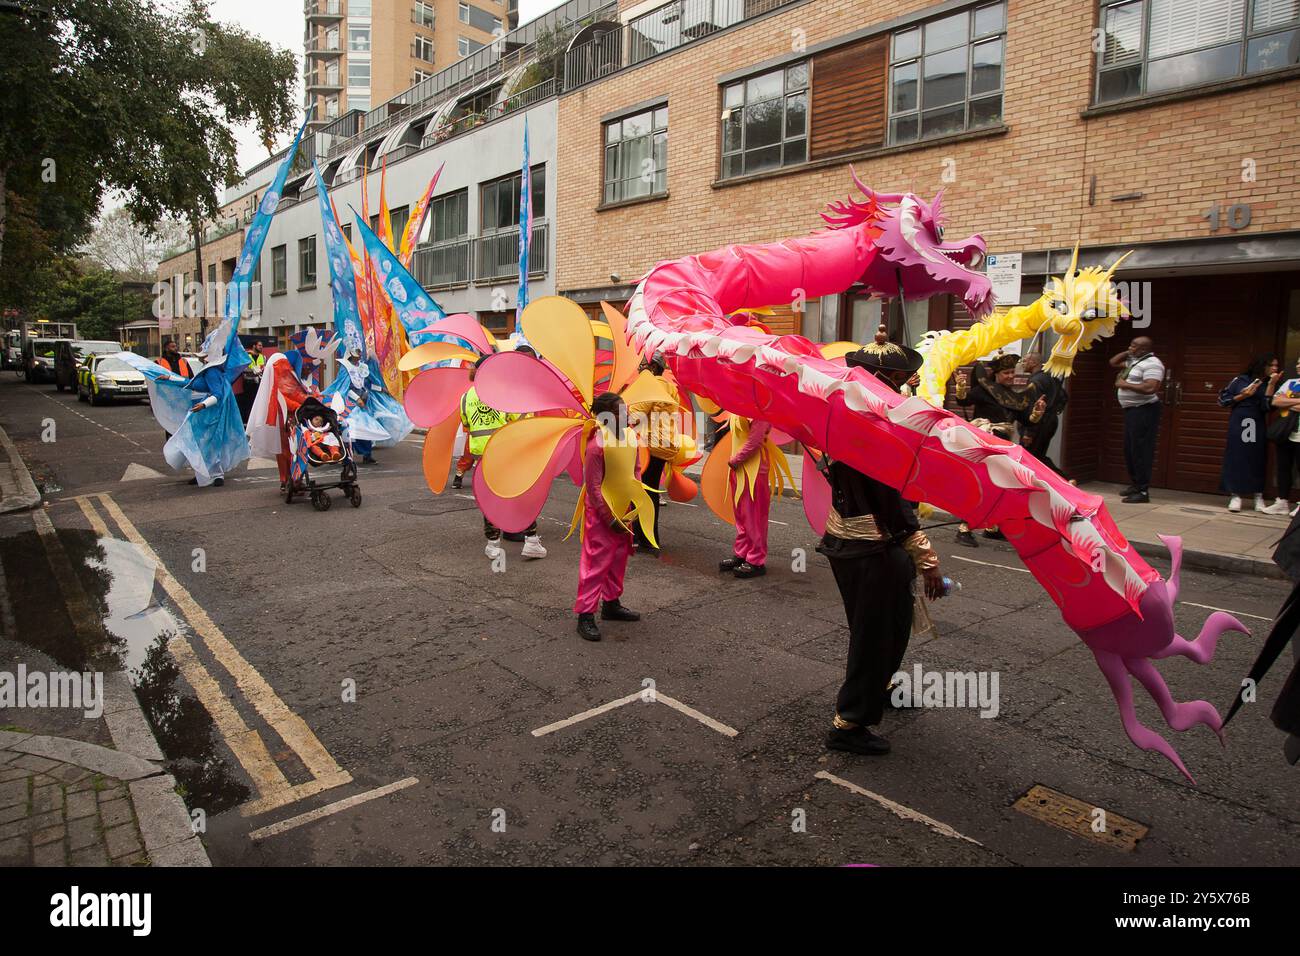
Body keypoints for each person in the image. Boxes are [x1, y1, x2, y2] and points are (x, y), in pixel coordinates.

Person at [820, 327, 944, 755]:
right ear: (883, 381)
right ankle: (849, 723)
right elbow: (893, 508)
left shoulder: (843, 414)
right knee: (875, 634)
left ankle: (881, 686)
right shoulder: (873, 430)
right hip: (871, 548)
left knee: (887, 627)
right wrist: (927, 559)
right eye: (899, 378)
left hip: (853, 543)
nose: (907, 384)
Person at [456, 356, 546, 560]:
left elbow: (467, 425)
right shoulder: (505, 392)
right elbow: (522, 421)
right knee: (521, 494)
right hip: (506, 452)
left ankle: (493, 545)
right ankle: (531, 540)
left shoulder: (466, 397)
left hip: (482, 455)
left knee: (491, 500)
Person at [952, 352, 1045, 545]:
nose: (1010, 376)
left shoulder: (1015, 397)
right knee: (982, 485)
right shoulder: (984, 390)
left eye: (1012, 372)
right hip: (983, 444)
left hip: (1004, 446)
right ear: (996, 374)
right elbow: (963, 401)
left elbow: (1027, 420)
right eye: (1006, 373)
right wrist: (960, 386)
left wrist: (1037, 412)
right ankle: (964, 528)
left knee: (1003, 486)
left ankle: (992, 526)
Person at [575, 392, 641, 642]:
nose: (626, 414)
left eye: (625, 409)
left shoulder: (630, 438)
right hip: (602, 514)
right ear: (605, 416)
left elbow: (635, 472)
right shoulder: (596, 446)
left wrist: (636, 506)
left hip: (624, 511)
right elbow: (592, 488)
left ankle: (611, 604)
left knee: (618, 559)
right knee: (595, 564)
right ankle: (585, 615)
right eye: (620, 410)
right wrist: (609, 516)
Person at [630, 352, 679, 556]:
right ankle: (644, 537)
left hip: (650, 445)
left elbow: (635, 414)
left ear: (652, 367)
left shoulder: (651, 385)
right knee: (649, 492)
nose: (640, 369)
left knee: (644, 493)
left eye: (642, 365)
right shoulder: (669, 386)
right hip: (664, 443)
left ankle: (648, 540)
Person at [1218, 355, 1279, 512]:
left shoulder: (1269, 383)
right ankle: (1235, 494)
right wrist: (1243, 395)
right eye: (1271, 365)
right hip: (1240, 419)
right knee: (1237, 455)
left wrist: (1271, 385)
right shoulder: (1241, 380)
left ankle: (1258, 495)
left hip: (1256, 421)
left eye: (1276, 366)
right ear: (1261, 365)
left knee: (1256, 456)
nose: (1275, 368)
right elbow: (1223, 400)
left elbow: (1268, 407)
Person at [1109, 335, 1165, 503]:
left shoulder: (1153, 364)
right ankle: (1135, 484)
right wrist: (1129, 351)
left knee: (1141, 450)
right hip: (1132, 411)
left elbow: (1151, 387)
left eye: (1134, 346)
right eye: (1130, 345)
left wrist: (1124, 385)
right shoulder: (1135, 362)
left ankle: (1142, 491)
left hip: (1145, 411)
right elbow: (1113, 362)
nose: (1130, 348)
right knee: (1130, 449)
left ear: (1144, 349)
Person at [719, 415, 774, 578]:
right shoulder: (739, 406)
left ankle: (756, 560)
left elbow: (755, 441)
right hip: (740, 469)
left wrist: (736, 459)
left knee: (754, 517)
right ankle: (742, 554)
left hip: (754, 470)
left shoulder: (760, 409)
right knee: (742, 516)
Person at [1017, 352, 1069, 478]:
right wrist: (1055, 410)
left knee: (1031, 457)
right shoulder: (1050, 377)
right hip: (1050, 421)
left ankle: (1064, 480)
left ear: (1034, 363)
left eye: (1025, 361)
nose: (1022, 363)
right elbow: (1064, 396)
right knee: (1038, 455)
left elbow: (1034, 408)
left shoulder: (1036, 381)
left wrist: (1028, 433)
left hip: (1038, 424)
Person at [1265, 357, 1300, 515]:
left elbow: (1282, 401)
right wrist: (1295, 403)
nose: (1297, 365)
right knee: (1283, 467)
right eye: (1297, 362)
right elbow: (1275, 401)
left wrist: (1288, 401)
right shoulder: (1291, 382)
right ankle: (1282, 501)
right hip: (1286, 430)